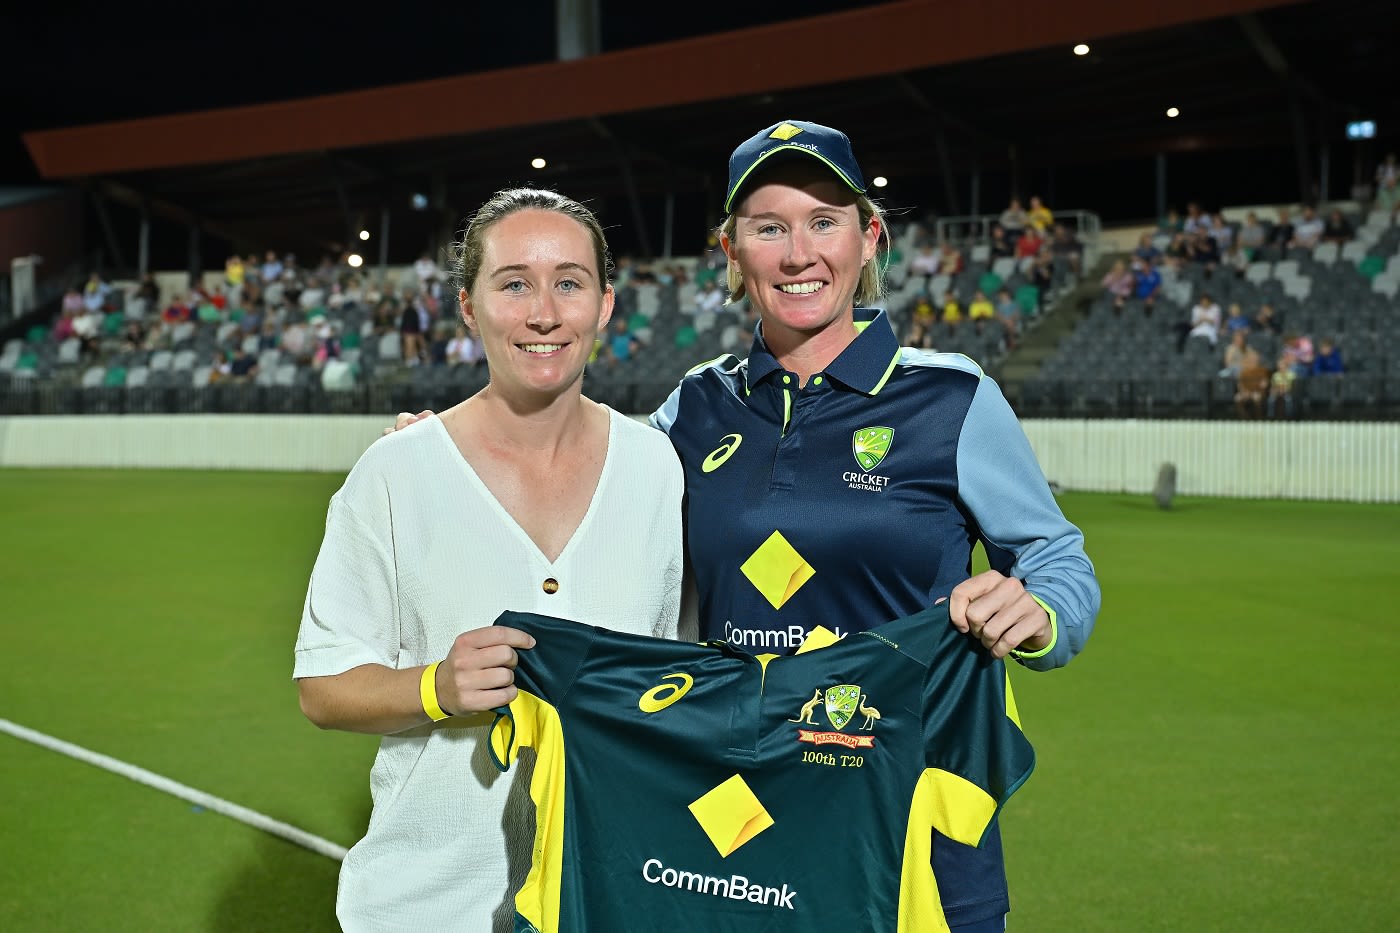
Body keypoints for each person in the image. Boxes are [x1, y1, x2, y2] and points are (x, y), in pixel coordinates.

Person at [391, 120, 1100, 932]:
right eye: (768, 228)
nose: (799, 254)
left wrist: (1040, 611)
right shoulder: (695, 406)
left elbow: (1055, 557)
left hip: (905, 818)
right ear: (733, 252)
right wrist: (456, 443)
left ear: (869, 239)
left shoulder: (953, 398)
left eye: (824, 221)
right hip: (740, 826)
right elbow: (579, 473)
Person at [300, 187, 685, 932]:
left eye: (569, 282)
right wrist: (436, 685)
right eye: (514, 283)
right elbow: (323, 685)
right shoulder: (395, 473)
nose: (544, 312)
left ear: (605, 304)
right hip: (426, 906)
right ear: (469, 307)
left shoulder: (657, 469)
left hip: (608, 898)